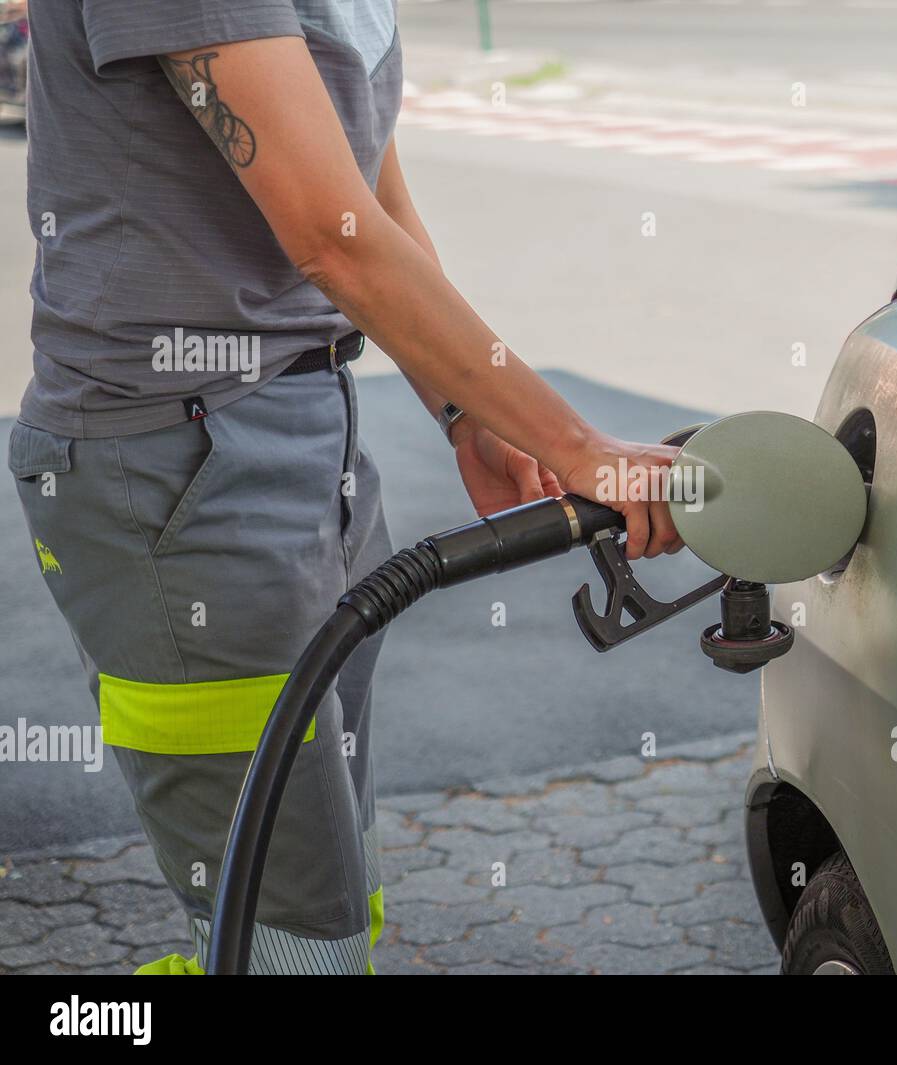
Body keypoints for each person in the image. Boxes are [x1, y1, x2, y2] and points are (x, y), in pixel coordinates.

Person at [8, 0, 682, 975]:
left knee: (326, 884)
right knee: (287, 943)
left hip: (306, 428)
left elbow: (369, 195)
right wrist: (575, 445)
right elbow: (332, 234)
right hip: (173, 470)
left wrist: (467, 411)